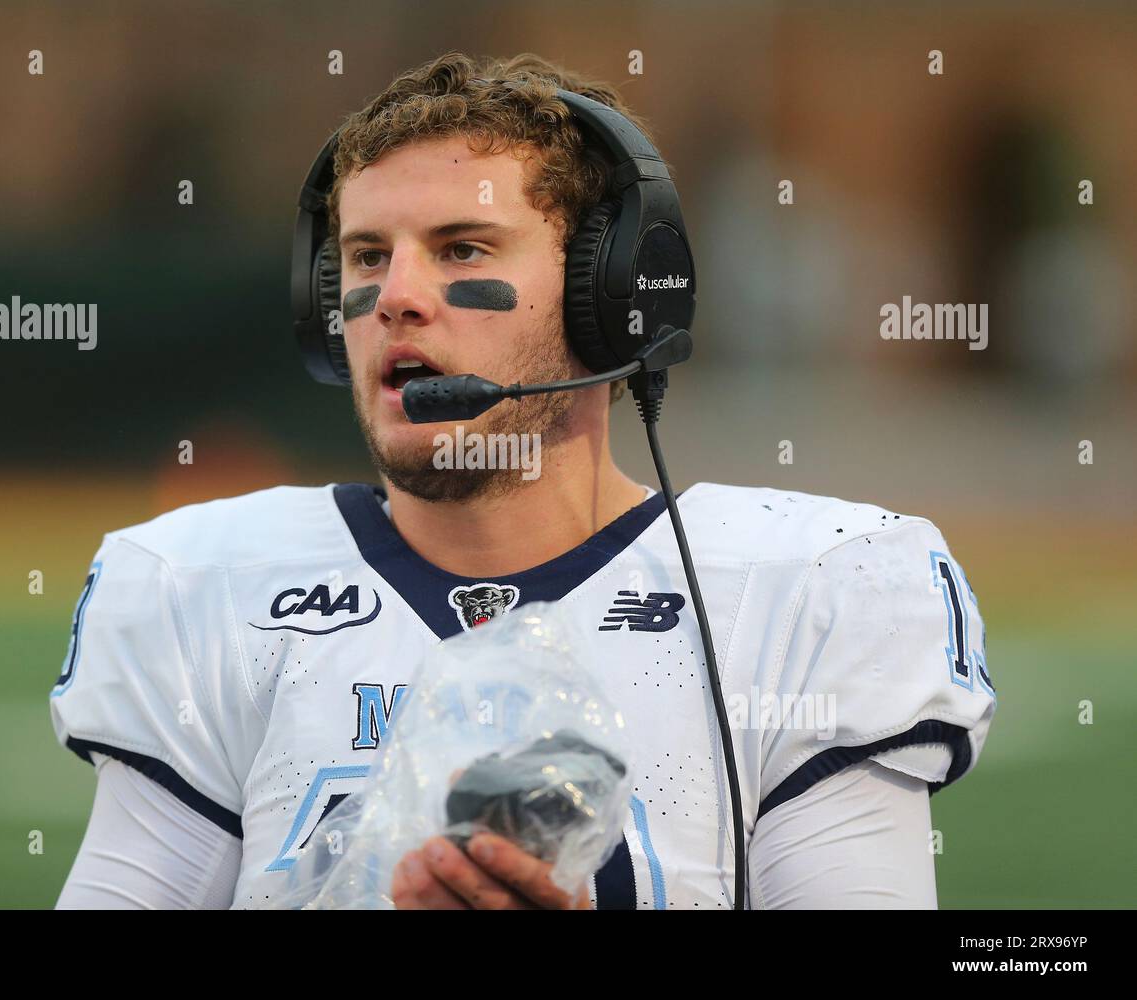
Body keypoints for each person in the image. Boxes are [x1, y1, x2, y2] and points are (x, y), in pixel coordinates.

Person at [51, 51, 995, 910]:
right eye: (367, 256)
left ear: (611, 299)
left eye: (462, 248)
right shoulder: (207, 590)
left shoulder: (805, 596)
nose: (396, 297)